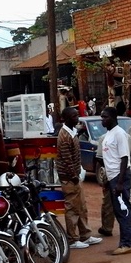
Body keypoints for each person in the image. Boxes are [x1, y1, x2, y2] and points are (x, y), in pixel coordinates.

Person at [55, 106, 97, 249]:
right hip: (69, 177)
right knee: (72, 208)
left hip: (74, 175)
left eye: (77, 115)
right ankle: (73, 239)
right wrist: (74, 176)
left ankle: (85, 235)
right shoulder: (64, 136)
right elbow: (67, 160)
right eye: (74, 116)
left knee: (81, 206)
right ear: (66, 119)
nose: (77, 118)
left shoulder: (71, 132)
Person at [100, 106, 131, 255]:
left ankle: (126, 244)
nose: (102, 120)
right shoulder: (109, 134)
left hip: (119, 176)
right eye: (102, 117)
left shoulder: (119, 134)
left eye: (105, 117)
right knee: (119, 210)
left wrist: (120, 182)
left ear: (113, 118)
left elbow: (124, 158)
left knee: (123, 211)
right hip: (112, 177)